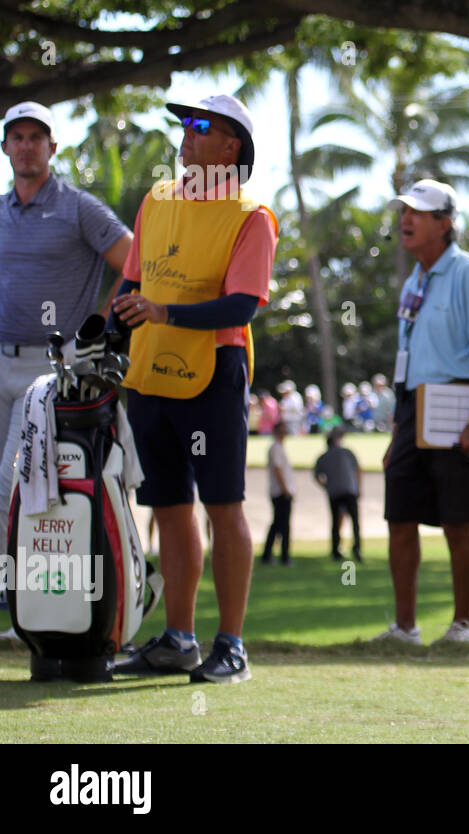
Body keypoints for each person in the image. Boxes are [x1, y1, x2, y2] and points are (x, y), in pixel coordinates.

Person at [112, 93, 277, 684]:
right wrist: (106, 340)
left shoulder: (250, 214)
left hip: (213, 374)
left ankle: (230, 644)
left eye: (200, 124)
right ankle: (178, 639)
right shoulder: (156, 200)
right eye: (183, 123)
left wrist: (164, 313)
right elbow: (131, 283)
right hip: (150, 374)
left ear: (231, 145)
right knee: (170, 508)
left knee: (223, 507)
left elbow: (242, 304)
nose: (186, 132)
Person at [0, 101, 131, 558]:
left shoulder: (79, 208)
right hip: (1, 357)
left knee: (13, 476)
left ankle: (17, 594)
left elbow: (135, 263)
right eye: (18, 137)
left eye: (36, 137)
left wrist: (100, 326)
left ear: (52, 147)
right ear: (5, 147)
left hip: (50, 368)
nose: (27, 146)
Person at [377, 178, 469, 645]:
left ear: (445, 223)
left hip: (459, 405)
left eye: (418, 213)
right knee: (400, 514)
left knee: (458, 519)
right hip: (414, 408)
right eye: (403, 212)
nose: (405, 220)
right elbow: (406, 360)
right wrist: (397, 434)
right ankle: (406, 628)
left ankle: (461, 627)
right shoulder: (415, 280)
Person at [314, 426, 362, 562]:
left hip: (335, 492)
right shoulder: (346, 452)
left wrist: (326, 486)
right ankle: (356, 549)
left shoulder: (324, 457)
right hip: (349, 490)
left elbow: (317, 476)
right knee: (355, 522)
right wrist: (358, 487)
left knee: (336, 522)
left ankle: (336, 550)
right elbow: (358, 469)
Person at [261, 421, 294, 565]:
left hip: (281, 491)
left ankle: (268, 554)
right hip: (280, 492)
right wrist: (285, 489)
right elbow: (278, 469)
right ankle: (283, 556)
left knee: (277, 524)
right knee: (282, 525)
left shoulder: (279, 448)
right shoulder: (276, 448)